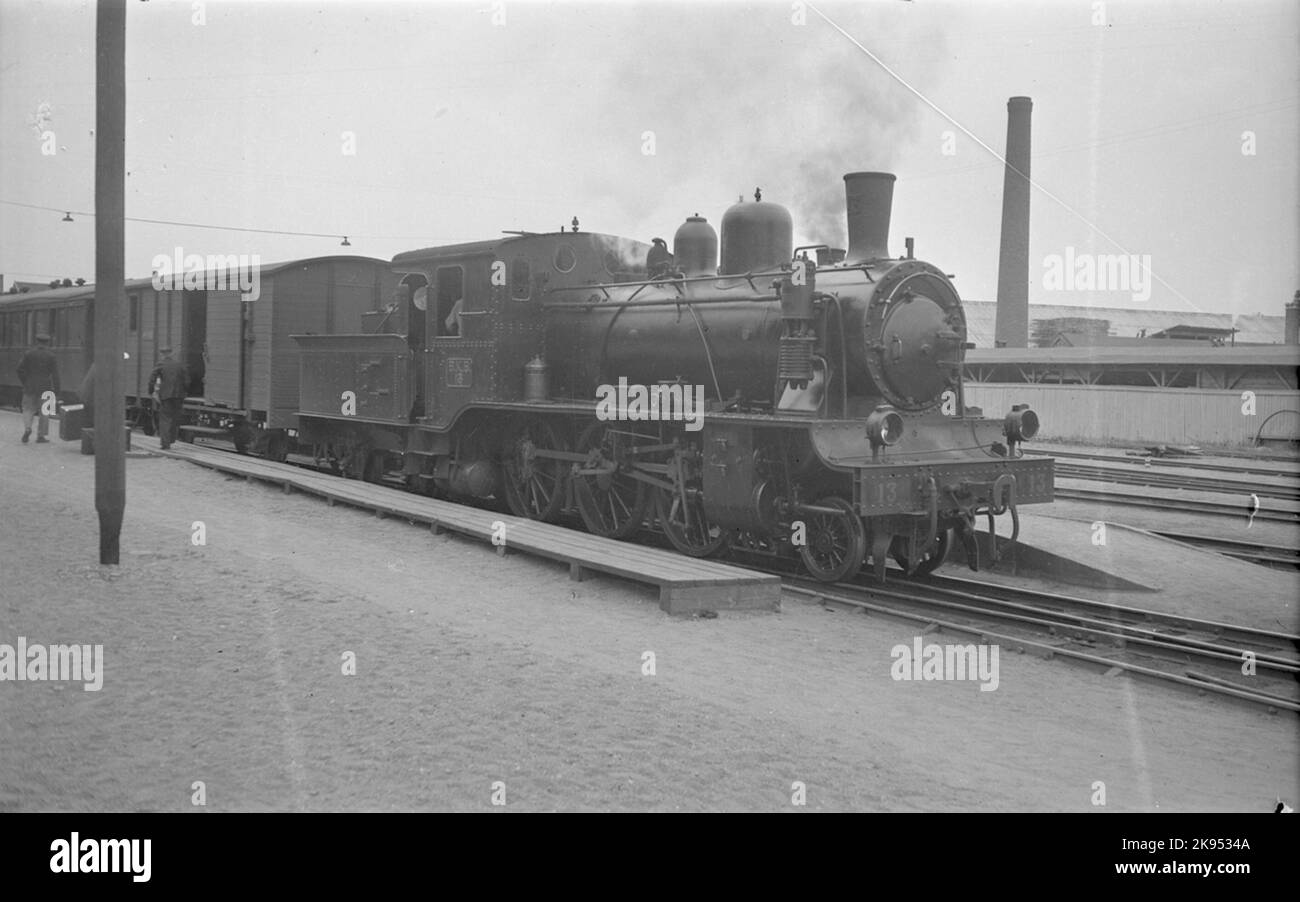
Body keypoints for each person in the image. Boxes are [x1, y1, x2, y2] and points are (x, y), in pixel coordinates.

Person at [17, 332, 60, 444]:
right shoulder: (51, 356)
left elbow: (19, 369)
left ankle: (27, 428)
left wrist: (25, 381)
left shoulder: (28, 354)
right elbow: (55, 375)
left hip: (29, 386)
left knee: (27, 409)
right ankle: (41, 436)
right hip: (46, 387)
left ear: (37, 342)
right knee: (45, 412)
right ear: (47, 343)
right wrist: (57, 391)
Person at [148, 346, 188, 450]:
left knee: (165, 419)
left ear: (162, 354)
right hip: (179, 396)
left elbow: (152, 379)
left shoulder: (160, 364)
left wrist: (151, 391)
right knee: (175, 418)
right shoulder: (179, 365)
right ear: (172, 353)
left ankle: (165, 444)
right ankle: (171, 439)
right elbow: (187, 380)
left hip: (166, 395)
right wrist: (184, 392)